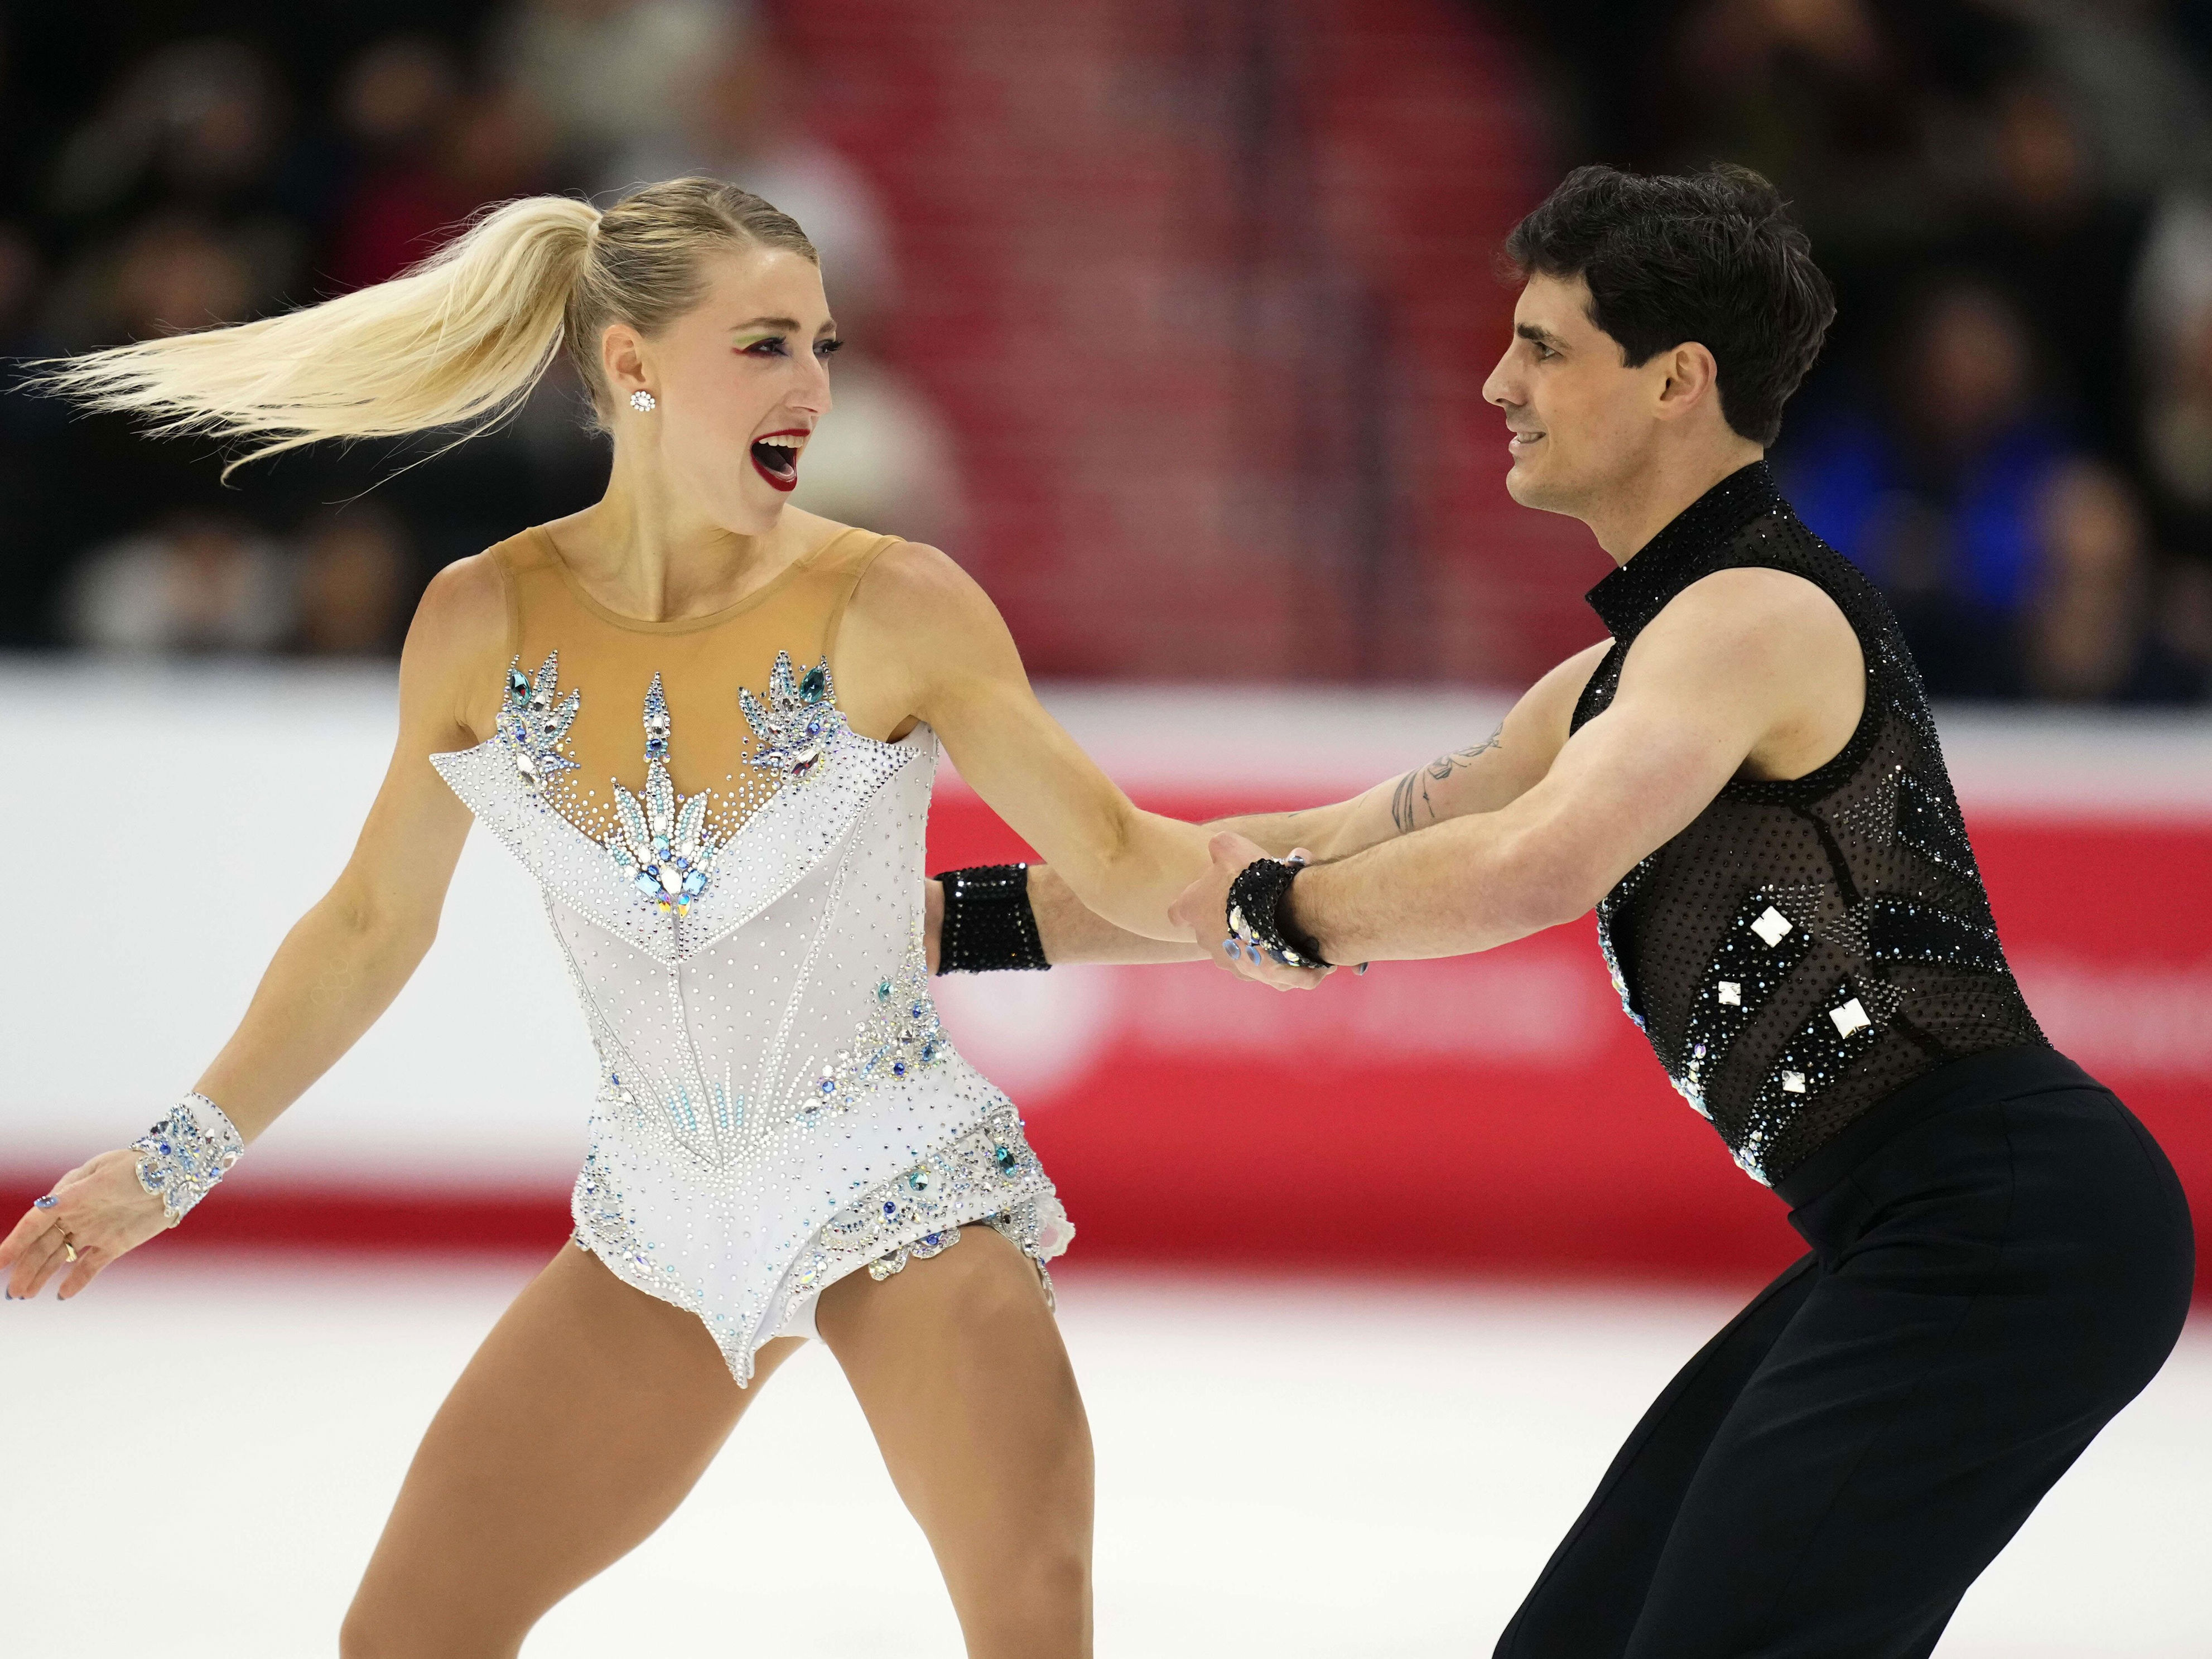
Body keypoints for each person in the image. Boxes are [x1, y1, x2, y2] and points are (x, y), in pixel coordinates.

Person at [930, 165, 2196, 1657]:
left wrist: (1294, 918)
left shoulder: (1757, 619)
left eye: (1543, 346)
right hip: (1915, 1234)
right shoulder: (1615, 682)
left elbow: (1535, 864)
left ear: (1677, 380)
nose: (1495, 380)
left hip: (2007, 1225)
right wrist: (952, 920)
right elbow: (1262, 851)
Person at [0, 177, 1225, 1659]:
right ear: (634, 366)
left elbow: (1117, 857)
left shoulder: (896, 603)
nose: (815, 386)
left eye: (823, 343)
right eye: (766, 344)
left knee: (1031, 1623)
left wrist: (1365, 879)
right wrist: (177, 1155)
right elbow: (372, 925)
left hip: (901, 1191)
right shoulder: (480, 616)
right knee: (408, 1638)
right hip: (656, 1218)